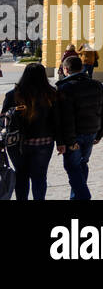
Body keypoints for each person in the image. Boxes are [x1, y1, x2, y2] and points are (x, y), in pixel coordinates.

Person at [2, 62, 62, 200]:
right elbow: (58, 120)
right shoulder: (51, 94)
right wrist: (61, 142)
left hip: (17, 143)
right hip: (44, 141)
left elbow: (4, 120)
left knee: (21, 175)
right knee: (39, 176)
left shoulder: (13, 95)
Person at [56, 55, 103, 200]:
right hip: (91, 132)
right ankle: (76, 197)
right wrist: (100, 133)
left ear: (66, 69)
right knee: (82, 163)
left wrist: (68, 141)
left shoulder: (65, 88)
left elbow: (64, 118)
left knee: (72, 167)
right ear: (81, 68)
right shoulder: (97, 85)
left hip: (74, 135)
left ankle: (84, 196)